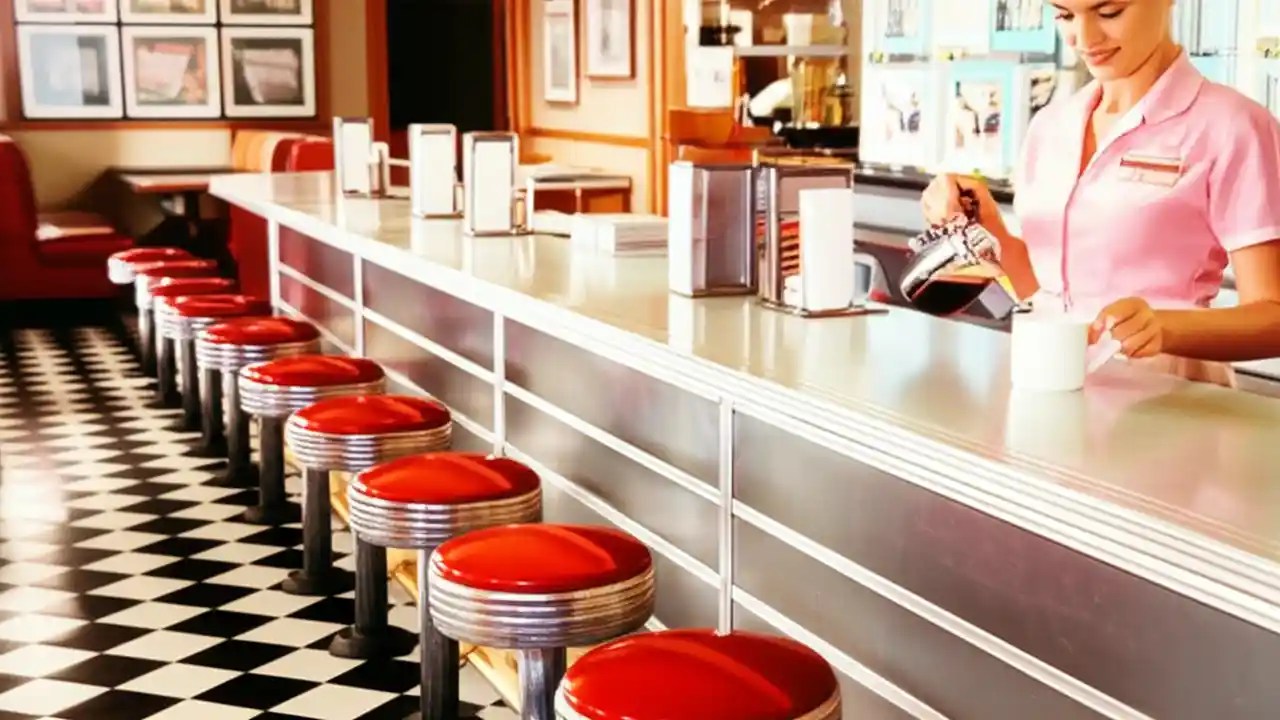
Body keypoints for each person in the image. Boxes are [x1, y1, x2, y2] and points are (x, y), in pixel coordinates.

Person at [921, 0, 1280, 386]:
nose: (1085, 37)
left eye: (1109, 13)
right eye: (1065, 15)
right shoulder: (1050, 125)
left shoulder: (1234, 125)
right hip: (1050, 385)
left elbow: (1273, 314)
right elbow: (1047, 294)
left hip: (1170, 397)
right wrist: (989, 228)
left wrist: (1164, 327)